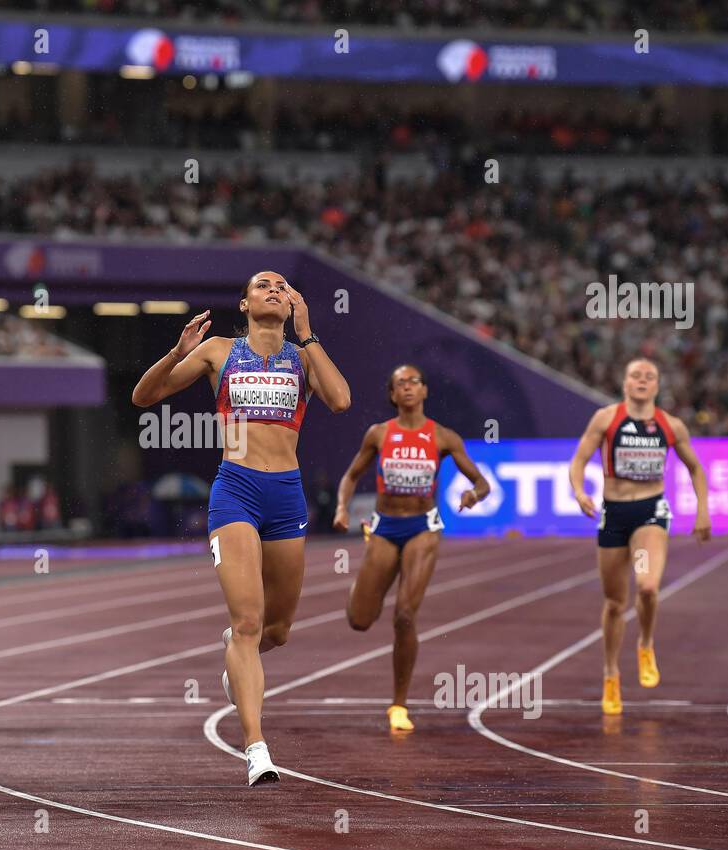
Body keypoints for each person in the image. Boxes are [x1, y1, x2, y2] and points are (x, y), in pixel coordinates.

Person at [132, 271, 351, 785]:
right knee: (251, 622)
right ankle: (256, 747)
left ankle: (236, 644)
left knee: (277, 629)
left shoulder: (302, 358)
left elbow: (340, 401)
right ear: (245, 302)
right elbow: (144, 398)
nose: (273, 289)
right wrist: (175, 351)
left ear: (292, 300)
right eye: (262, 285)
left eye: (282, 285)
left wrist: (309, 332)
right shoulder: (219, 350)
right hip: (236, 491)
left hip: (286, 496)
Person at [334, 364, 490, 731]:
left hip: (423, 527)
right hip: (386, 527)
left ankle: (398, 705)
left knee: (405, 615)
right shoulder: (378, 434)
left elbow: (482, 482)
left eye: (414, 382)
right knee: (359, 620)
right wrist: (342, 506)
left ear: (424, 391)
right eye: (400, 383)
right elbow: (351, 475)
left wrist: (473, 494)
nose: (407, 387)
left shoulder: (443, 437)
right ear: (392, 394)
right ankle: (362, 587)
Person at [568, 357, 711, 716]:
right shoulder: (606, 418)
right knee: (615, 602)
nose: (643, 380)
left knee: (647, 586)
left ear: (657, 386)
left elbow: (695, 467)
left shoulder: (670, 424)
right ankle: (610, 675)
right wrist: (578, 490)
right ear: (625, 383)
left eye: (650, 376)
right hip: (614, 517)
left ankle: (645, 644)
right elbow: (579, 460)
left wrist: (703, 509)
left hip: (649, 513)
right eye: (636, 375)